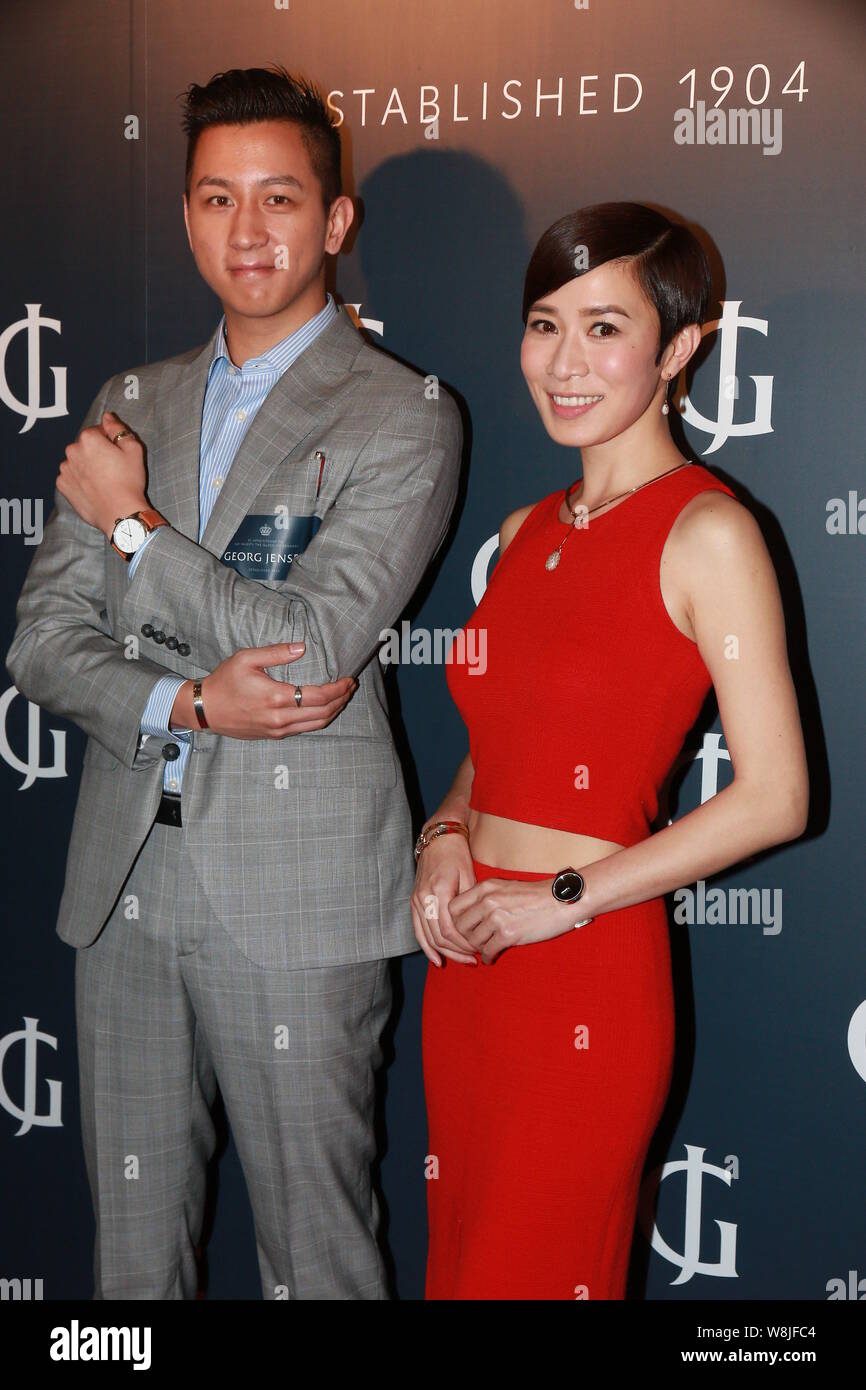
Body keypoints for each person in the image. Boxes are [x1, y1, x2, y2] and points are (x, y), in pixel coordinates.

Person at [6, 66, 461, 1300]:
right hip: (124, 889)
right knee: (131, 1270)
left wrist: (136, 529)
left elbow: (309, 646)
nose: (246, 232)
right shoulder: (127, 403)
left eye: (278, 199)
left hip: (296, 902)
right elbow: (42, 639)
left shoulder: (402, 414)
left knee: (317, 1258)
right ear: (187, 214)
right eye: (216, 198)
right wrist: (184, 703)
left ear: (336, 221)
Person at [413, 202, 808, 1300]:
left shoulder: (707, 531)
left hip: (581, 970)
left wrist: (567, 894)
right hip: (472, 963)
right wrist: (443, 833)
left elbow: (776, 795)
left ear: (677, 348)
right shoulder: (520, 532)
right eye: (544, 324)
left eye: (603, 327)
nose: (563, 361)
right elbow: (489, 751)